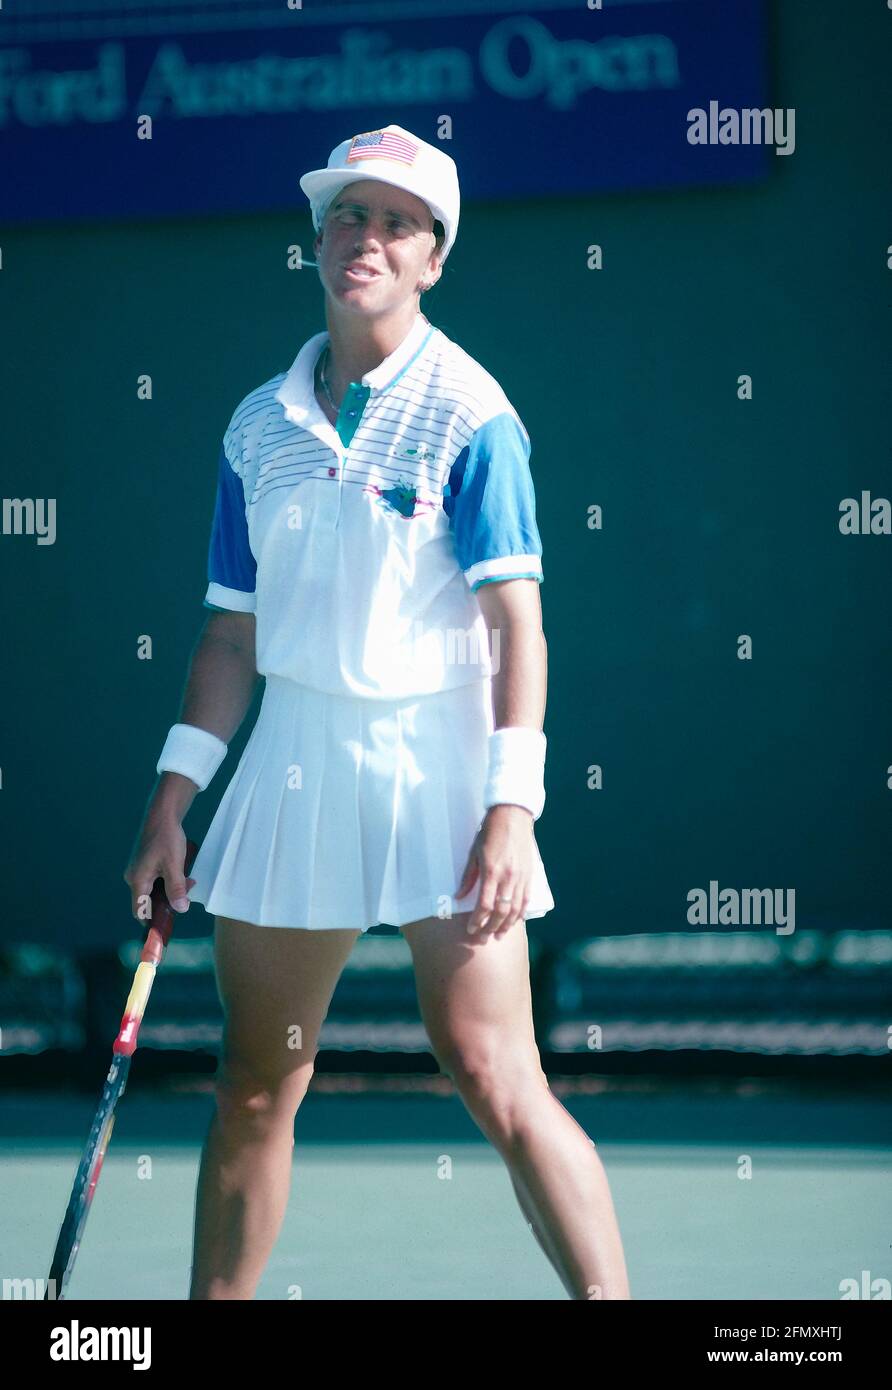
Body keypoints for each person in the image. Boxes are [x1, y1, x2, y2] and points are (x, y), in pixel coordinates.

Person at [124, 124, 630, 1300]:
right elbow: (231, 635)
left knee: (496, 1073)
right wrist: (172, 800)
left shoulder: (473, 415)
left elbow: (518, 628)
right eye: (349, 215)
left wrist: (512, 807)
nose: (366, 237)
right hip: (294, 764)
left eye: (396, 222)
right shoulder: (256, 426)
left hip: (440, 772)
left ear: (432, 258)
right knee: (257, 1082)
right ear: (317, 240)